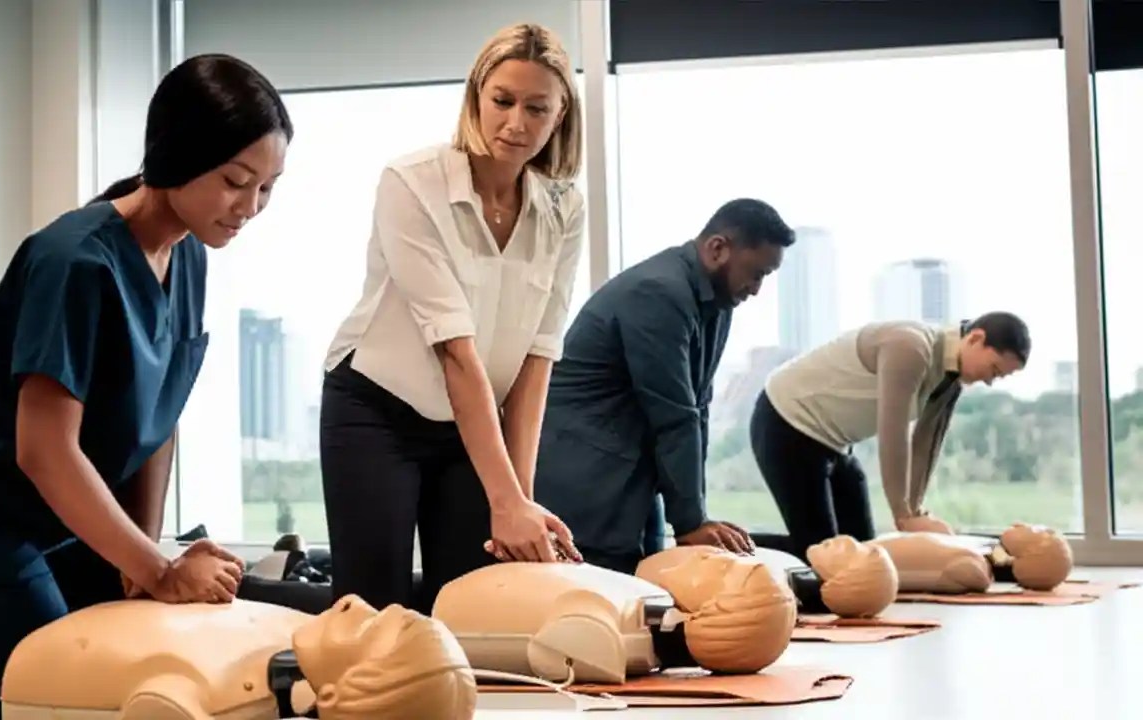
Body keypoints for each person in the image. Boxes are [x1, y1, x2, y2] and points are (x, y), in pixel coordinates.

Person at [0, 54, 292, 719]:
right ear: (178, 154)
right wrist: (160, 569)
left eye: (268, 188)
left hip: (58, 517)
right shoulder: (74, 261)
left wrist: (143, 563)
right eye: (237, 182)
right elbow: (46, 451)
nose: (252, 208)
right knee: (31, 699)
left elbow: (160, 411)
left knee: (107, 684)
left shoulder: (188, 257)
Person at [320, 22, 586, 615]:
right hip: (377, 411)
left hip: (473, 427)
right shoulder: (411, 183)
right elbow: (456, 353)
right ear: (476, 97)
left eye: (537, 108)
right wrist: (508, 499)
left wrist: (518, 499)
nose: (516, 122)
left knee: (475, 604)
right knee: (375, 612)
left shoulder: (564, 208)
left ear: (561, 116)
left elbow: (537, 359)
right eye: (503, 101)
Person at [532, 200, 796, 575]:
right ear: (717, 248)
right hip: (587, 478)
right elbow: (675, 414)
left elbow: (697, 409)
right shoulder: (658, 292)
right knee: (602, 603)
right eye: (755, 274)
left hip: (634, 476)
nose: (756, 289)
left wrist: (693, 515)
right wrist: (690, 522)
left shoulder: (716, 303)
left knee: (647, 590)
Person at [749, 313, 1031, 559]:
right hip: (785, 422)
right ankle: (721, 548)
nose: (989, 381)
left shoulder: (950, 382)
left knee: (863, 555)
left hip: (834, 444)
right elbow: (893, 432)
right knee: (824, 559)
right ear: (975, 339)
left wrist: (915, 510)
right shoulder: (911, 347)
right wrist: (902, 515)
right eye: (993, 369)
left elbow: (925, 444)